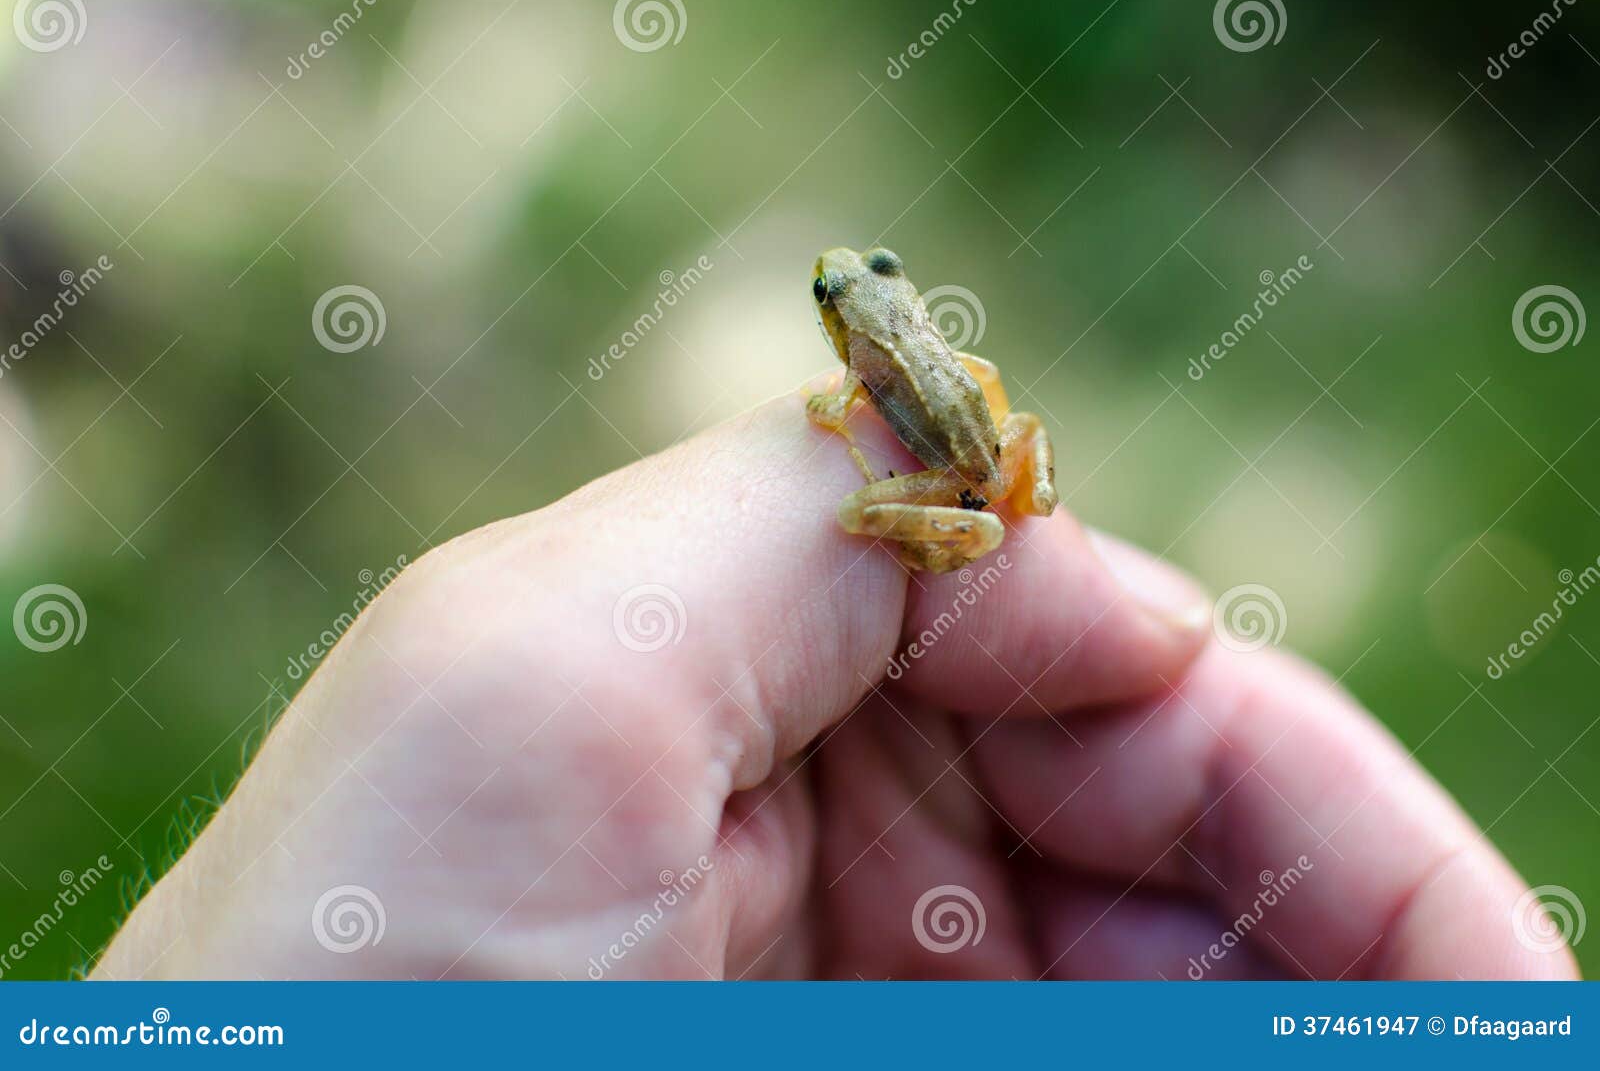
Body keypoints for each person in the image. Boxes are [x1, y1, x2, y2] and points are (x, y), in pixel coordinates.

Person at [91, 381, 1581, 980]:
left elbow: (869, 414)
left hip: (956, 480)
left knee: (871, 507)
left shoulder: (865, 381)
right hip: (993, 465)